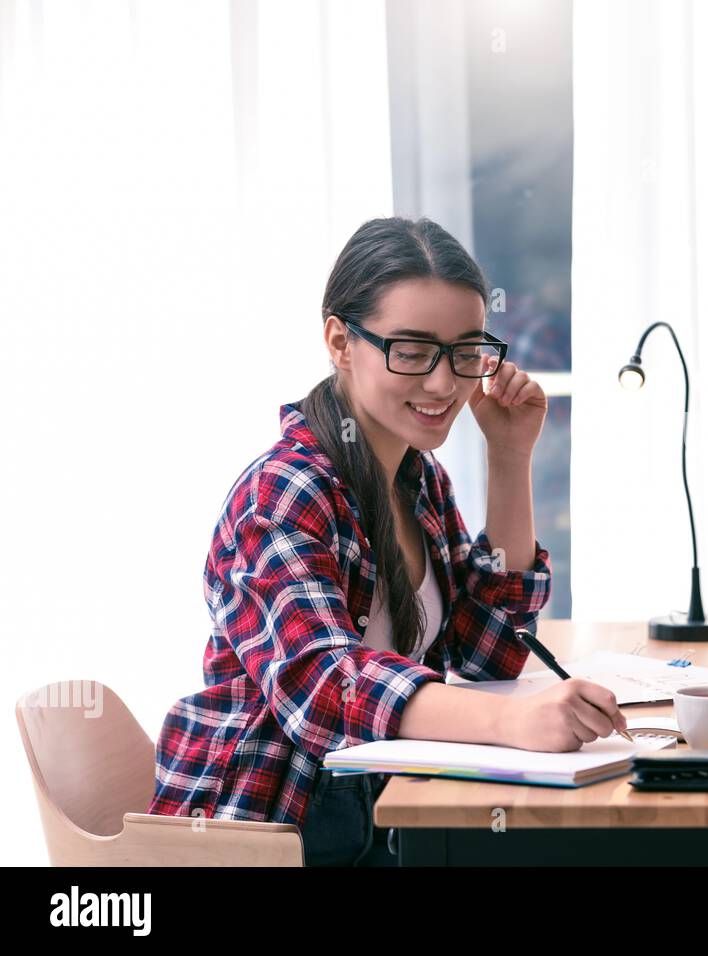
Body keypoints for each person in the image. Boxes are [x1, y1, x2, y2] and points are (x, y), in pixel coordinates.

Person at [148, 216, 627, 866]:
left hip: (384, 809)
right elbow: (325, 686)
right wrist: (514, 722)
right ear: (341, 341)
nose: (444, 384)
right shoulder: (283, 493)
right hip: (281, 826)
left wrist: (510, 458)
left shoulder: (416, 479)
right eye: (411, 350)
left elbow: (490, 652)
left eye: (465, 351)